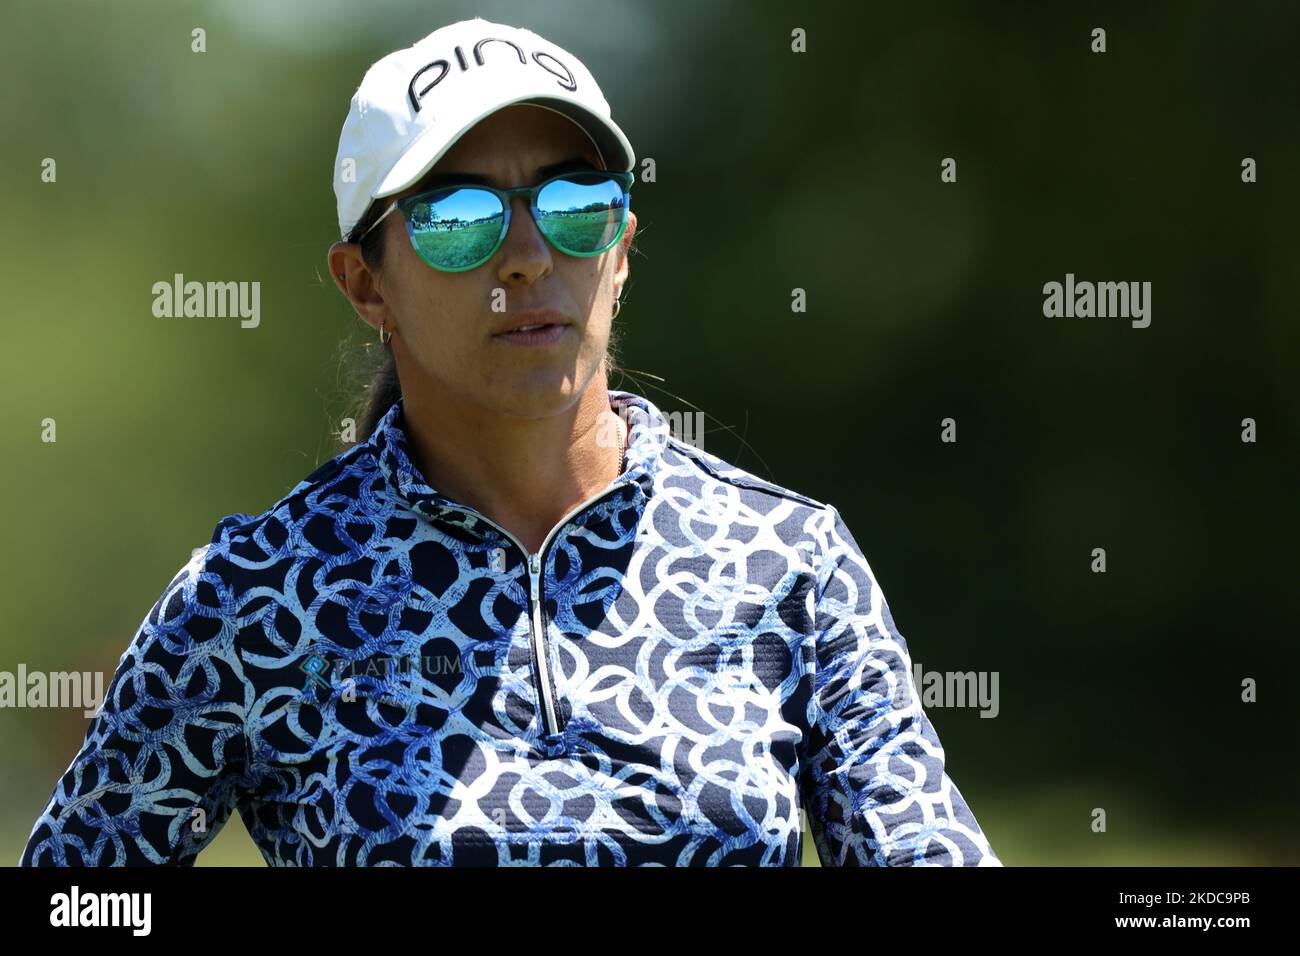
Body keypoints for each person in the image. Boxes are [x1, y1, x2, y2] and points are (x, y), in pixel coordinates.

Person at [19, 16, 1000, 867]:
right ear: (366, 285)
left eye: (576, 209)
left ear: (620, 252)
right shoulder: (257, 593)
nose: (528, 259)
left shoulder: (792, 562)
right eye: (457, 219)